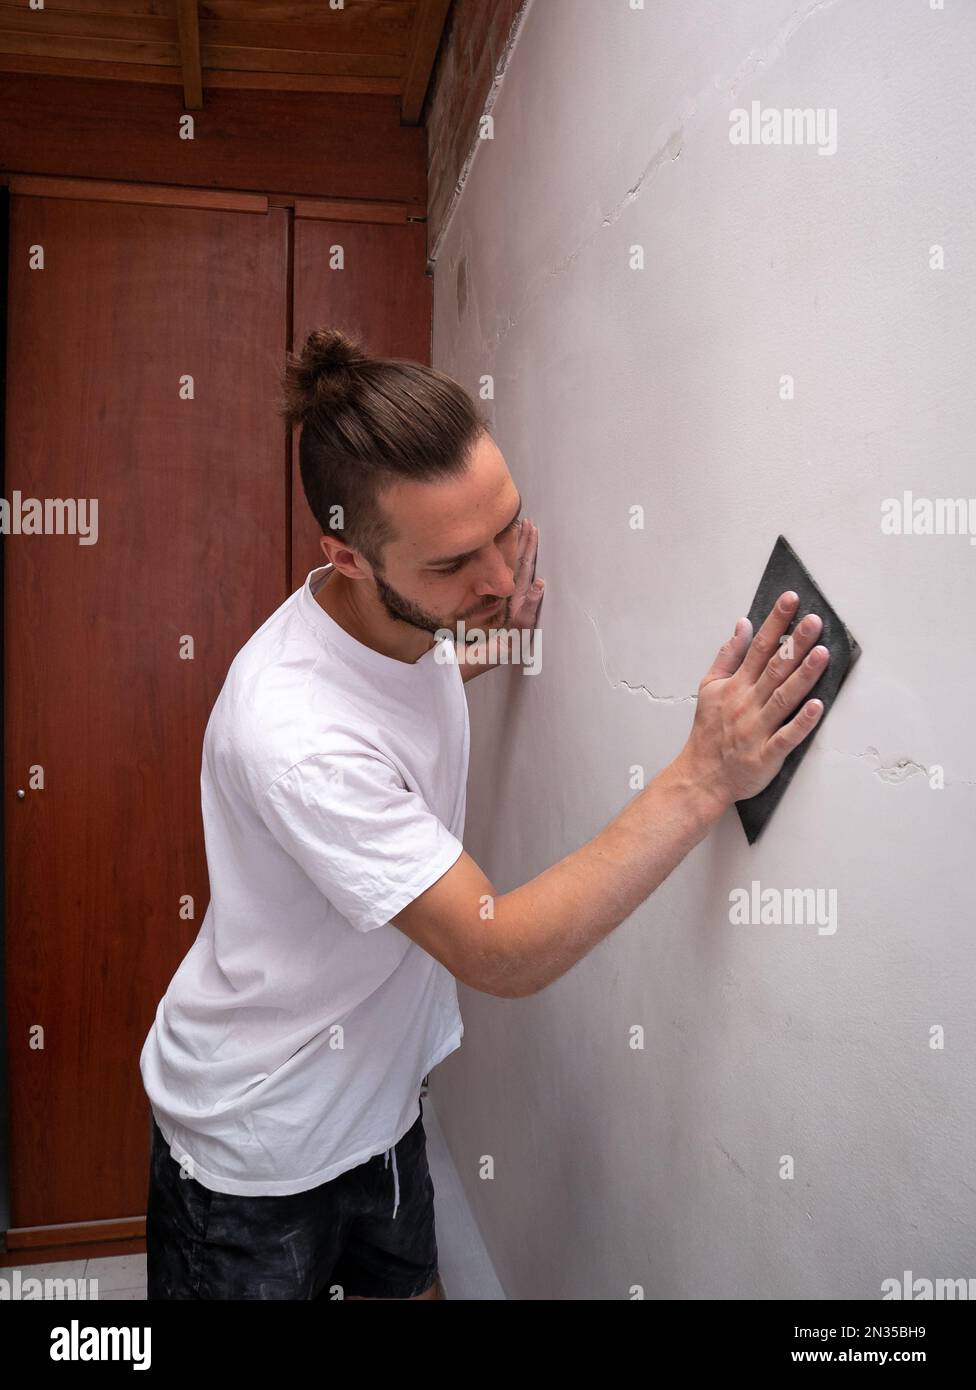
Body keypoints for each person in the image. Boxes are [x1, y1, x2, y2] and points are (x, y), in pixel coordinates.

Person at [141, 326, 829, 1300]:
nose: (502, 578)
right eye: (456, 562)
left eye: (508, 526)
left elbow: (394, 699)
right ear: (343, 555)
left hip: (378, 1106)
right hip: (258, 1153)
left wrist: (472, 645)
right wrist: (702, 772)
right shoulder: (292, 731)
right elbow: (499, 949)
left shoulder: (400, 631)